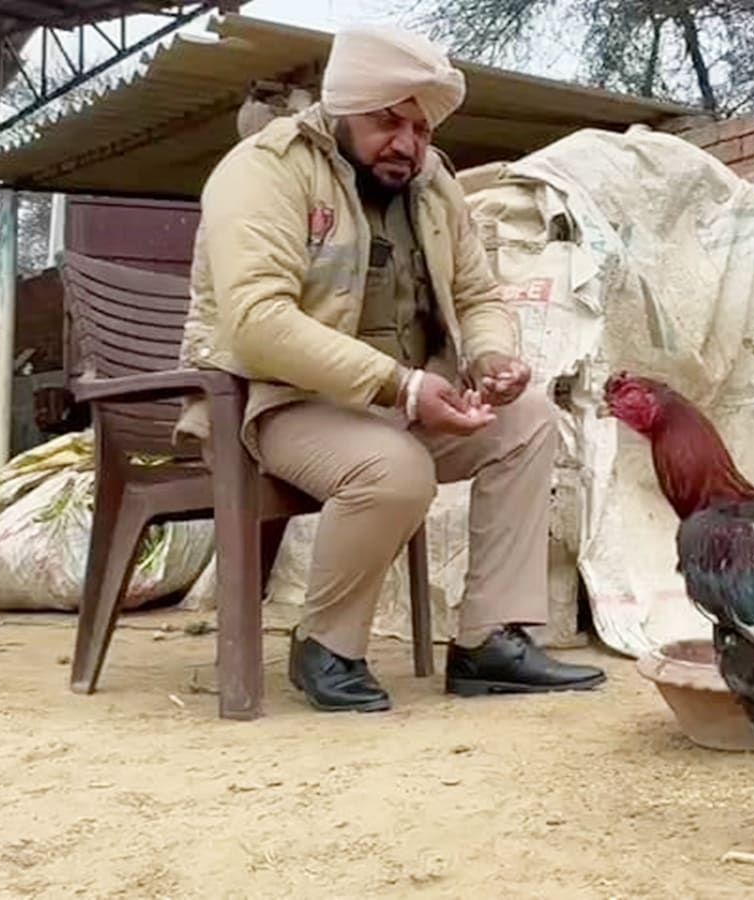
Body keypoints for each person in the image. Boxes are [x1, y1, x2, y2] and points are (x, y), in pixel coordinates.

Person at [173, 24, 605, 712]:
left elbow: (477, 295)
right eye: (386, 121)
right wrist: (401, 386)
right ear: (344, 106)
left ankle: (491, 640)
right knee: (396, 465)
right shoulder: (265, 169)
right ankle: (326, 645)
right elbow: (256, 323)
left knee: (527, 420)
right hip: (276, 402)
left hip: (395, 401)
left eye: (420, 127)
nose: (407, 143)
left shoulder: (434, 186)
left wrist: (491, 356)